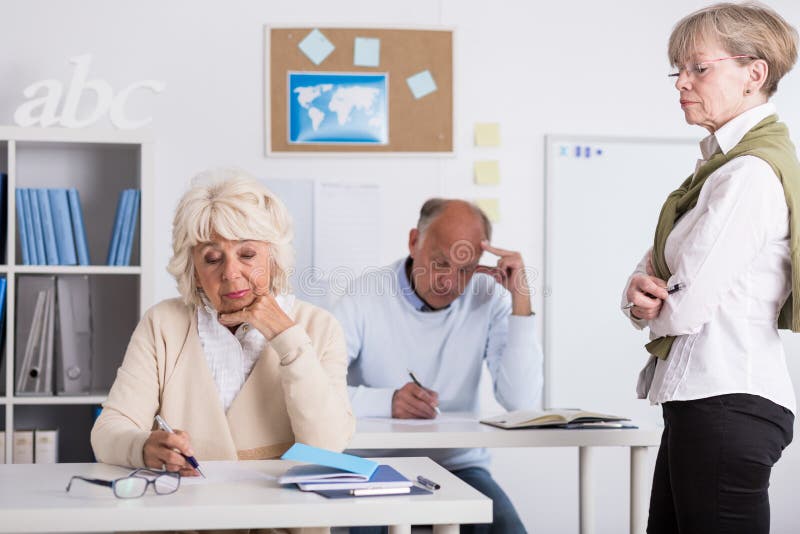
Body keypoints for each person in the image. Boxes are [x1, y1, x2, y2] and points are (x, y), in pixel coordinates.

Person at [91, 171, 354, 531]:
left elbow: (327, 449)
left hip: (282, 526)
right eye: (213, 259)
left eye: (247, 254)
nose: (231, 273)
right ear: (195, 272)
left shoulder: (319, 328)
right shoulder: (164, 323)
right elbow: (107, 431)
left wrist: (286, 338)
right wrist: (142, 446)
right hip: (184, 524)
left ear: (273, 259)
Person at [622, 3, 799, 533]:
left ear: (755, 73)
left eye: (699, 67)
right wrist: (639, 296)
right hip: (701, 404)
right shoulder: (715, 171)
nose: (681, 82)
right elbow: (651, 276)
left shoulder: (747, 174)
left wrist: (650, 302)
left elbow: (685, 306)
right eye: (677, 69)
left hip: (725, 403)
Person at [335, 198, 543, 534]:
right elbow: (314, 393)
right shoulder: (363, 297)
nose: (449, 282)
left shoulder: (488, 298)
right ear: (414, 241)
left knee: (509, 529)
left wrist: (520, 299)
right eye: (439, 263)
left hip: (456, 467)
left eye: (464, 269)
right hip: (371, 466)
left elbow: (521, 403)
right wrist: (387, 402)